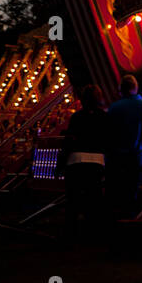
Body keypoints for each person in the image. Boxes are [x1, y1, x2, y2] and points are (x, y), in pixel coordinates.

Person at [58, 84, 111, 239]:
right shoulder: (104, 117)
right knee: (94, 198)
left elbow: (70, 140)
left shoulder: (77, 117)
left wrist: (61, 163)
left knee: (73, 199)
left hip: (76, 160)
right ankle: (93, 232)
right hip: (96, 161)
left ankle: (71, 231)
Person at [105, 74, 142, 218]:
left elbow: (107, 132)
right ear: (136, 88)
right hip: (137, 156)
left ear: (121, 89)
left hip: (116, 157)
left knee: (117, 190)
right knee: (133, 190)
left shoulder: (113, 108)